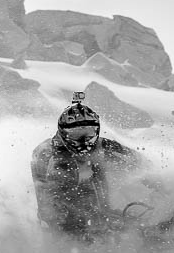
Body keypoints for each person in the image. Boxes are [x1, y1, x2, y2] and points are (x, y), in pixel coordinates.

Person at [30, 92, 141, 239]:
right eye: (75, 134)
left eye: (89, 134)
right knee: (70, 223)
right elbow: (56, 210)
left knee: (98, 167)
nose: (83, 142)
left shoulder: (99, 145)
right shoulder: (56, 161)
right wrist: (99, 226)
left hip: (89, 205)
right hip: (61, 217)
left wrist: (157, 181)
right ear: (63, 134)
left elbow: (138, 161)